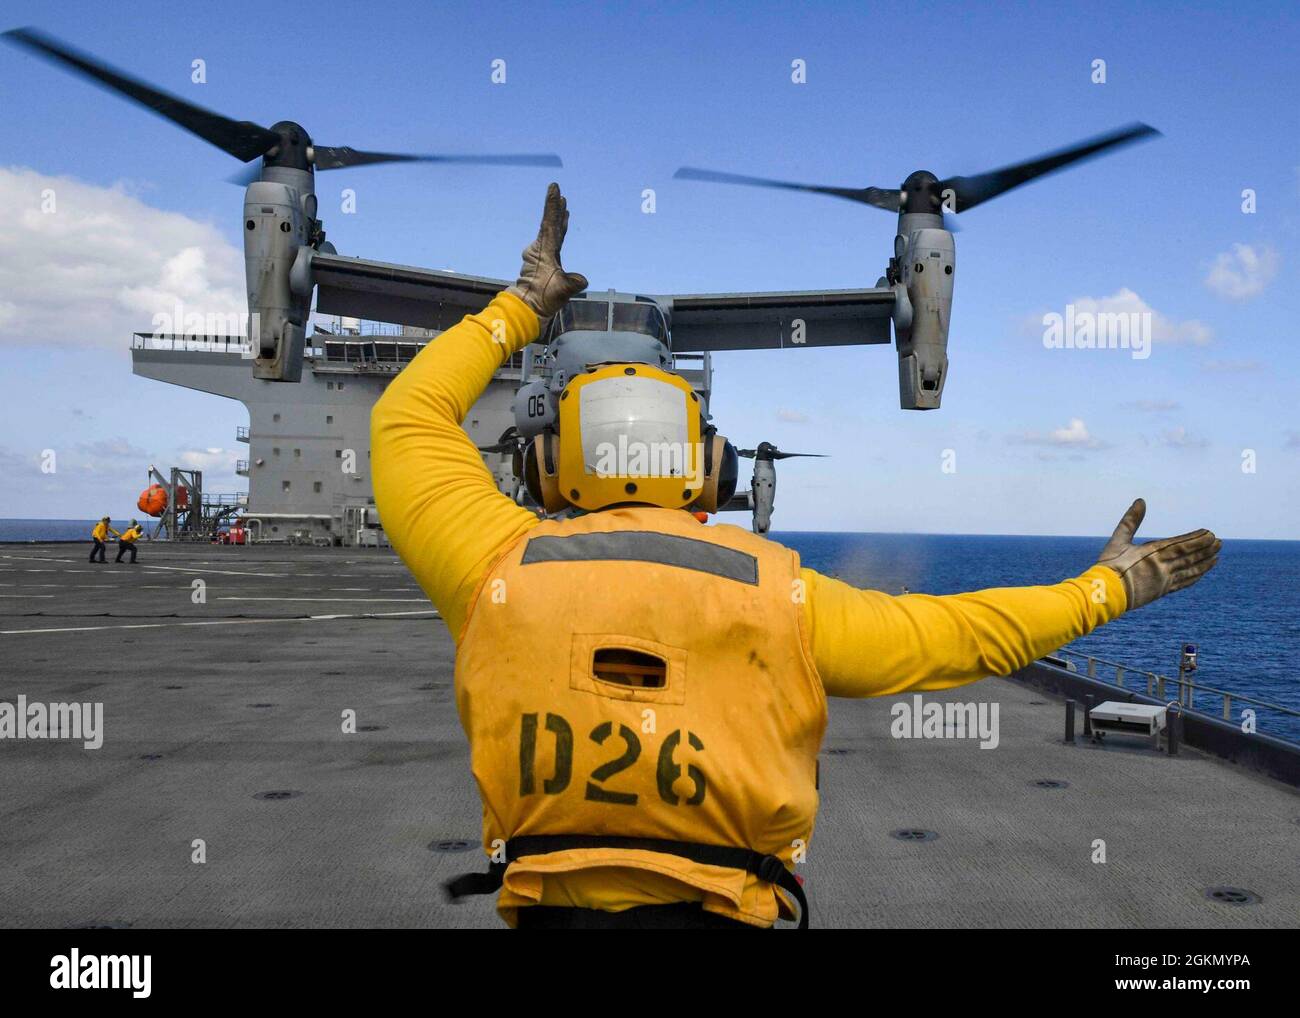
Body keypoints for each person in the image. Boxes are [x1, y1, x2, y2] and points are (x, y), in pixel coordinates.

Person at [371, 184, 1220, 930]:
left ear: (546, 464)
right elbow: (961, 635)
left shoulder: (494, 563)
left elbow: (406, 418)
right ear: (711, 469)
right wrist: (1108, 588)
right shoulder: (778, 595)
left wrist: (522, 303)